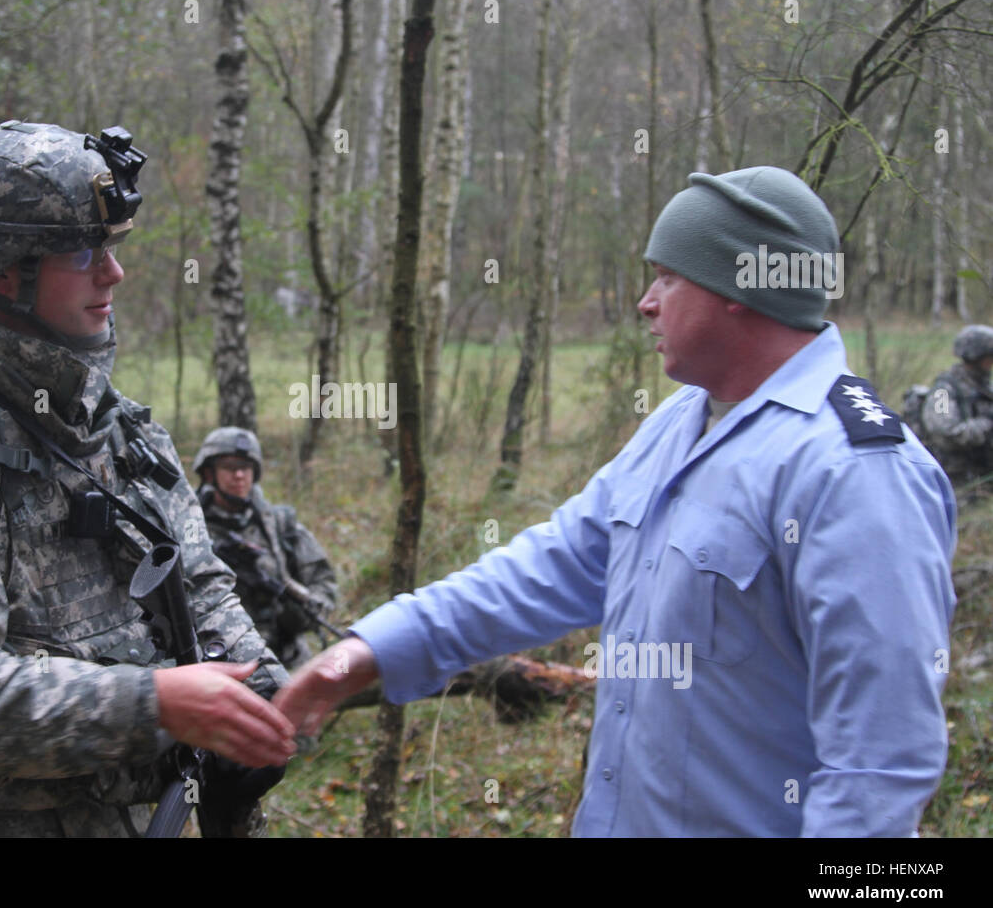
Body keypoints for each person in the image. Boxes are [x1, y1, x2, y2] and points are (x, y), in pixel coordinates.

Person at [276, 167, 957, 837]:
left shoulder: (857, 471)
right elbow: (556, 564)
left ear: (739, 290)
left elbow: (880, 762)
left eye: (667, 276)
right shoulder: (682, 421)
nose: (645, 302)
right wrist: (373, 650)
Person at [0, 121, 294, 837]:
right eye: (83, 251)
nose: (113, 273)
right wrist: (156, 704)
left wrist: (258, 686)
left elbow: (200, 590)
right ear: (1, 270)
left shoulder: (120, 428)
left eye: (111, 247)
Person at [194, 427, 339, 669]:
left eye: (246, 467)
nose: (239, 475)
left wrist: (297, 613)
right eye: (229, 467)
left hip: (288, 661)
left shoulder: (281, 524)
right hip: (219, 664)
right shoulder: (192, 529)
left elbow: (323, 585)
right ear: (209, 473)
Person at [919, 325, 993, 490]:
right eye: (989, 357)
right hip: (954, 479)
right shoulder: (944, 391)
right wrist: (985, 425)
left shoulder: (984, 388)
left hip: (982, 474)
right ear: (977, 357)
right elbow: (944, 433)